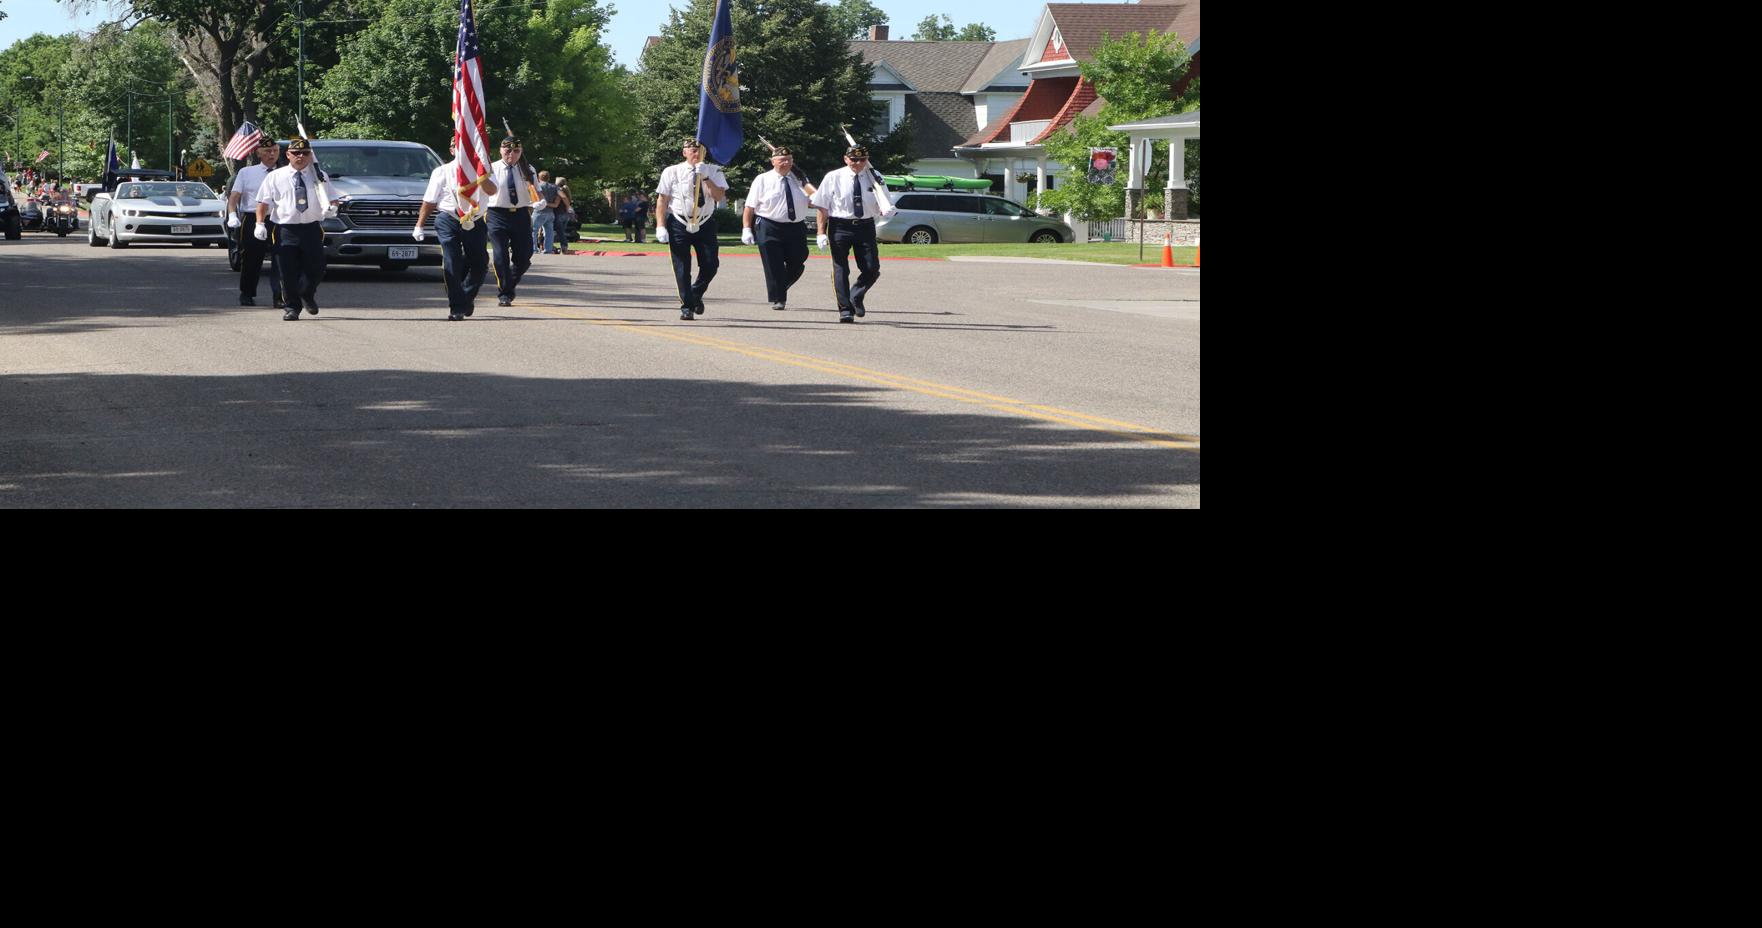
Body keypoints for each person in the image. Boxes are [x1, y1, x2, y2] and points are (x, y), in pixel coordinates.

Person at [253, 136, 341, 321]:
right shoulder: (275, 176)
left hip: (311, 228)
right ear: (288, 155)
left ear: (310, 155)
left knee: (316, 268)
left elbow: (332, 198)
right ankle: (292, 307)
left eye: (305, 153)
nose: (300, 156)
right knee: (287, 270)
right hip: (286, 229)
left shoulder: (319, 175)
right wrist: (259, 223)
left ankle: (307, 293)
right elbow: (263, 202)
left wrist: (333, 207)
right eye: (296, 153)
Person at [413, 138, 498, 322]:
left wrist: (481, 176)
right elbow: (429, 201)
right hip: (448, 219)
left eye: (467, 147)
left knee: (480, 262)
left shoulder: (485, 169)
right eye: (458, 147)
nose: (462, 150)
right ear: (452, 151)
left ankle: (465, 296)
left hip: (474, 220)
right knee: (452, 261)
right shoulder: (441, 171)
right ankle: (457, 307)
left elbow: (492, 191)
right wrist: (419, 225)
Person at [812, 145, 889, 323]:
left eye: (862, 159)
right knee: (840, 268)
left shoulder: (874, 176)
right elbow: (822, 205)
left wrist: (886, 209)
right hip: (840, 226)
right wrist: (820, 232)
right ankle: (845, 309)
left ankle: (856, 295)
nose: (857, 163)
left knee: (871, 268)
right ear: (846, 159)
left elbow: (883, 200)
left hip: (865, 225)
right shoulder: (833, 177)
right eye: (853, 159)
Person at [654, 138, 728, 320]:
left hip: (705, 222)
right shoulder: (672, 171)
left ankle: (695, 294)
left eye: (700, 150)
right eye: (692, 149)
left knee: (711, 265)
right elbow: (662, 200)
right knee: (681, 266)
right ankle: (687, 306)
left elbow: (719, 196)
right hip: (679, 222)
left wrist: (706, 177)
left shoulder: (714, 171)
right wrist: (660, 226)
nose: (697, 153)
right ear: (684, 152)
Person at [742, 145, 816, 312]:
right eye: (782, 160)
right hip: (769, 225)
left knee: (799, 261)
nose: (785, 163)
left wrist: (809, 187)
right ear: (773, 161)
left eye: (789, 159)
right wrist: (746, 228)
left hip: (796, 227)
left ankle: (779, 287)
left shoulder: (799, 180)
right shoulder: (762, 180)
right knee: (773, 264)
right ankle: (779, 298)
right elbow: (749, 206)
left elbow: (813, 200)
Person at [226, 137, 284, 308]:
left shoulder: (285, 172)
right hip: (252, 219)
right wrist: (232, 215)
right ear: (259, 153)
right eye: (267, 151)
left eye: (275, 150)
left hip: (279, 218)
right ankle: (247, 293)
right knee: (251, 258)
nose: (271, 154)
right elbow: (234, 196)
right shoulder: (246, 172)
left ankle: (280, 296)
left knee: (281, 259)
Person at [485, 135, 538, 306]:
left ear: (521, 152)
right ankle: (505, 294)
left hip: (520, 213)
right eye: (508, 150)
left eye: (516, 151)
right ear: (500, 150)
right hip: (496, 214)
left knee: (524, 256)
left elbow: (536, 191)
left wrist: (539, 201)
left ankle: (509, 284)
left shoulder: (527, 169)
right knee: (500, 256)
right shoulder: (491, 169)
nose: (511, 154)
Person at [532, 169, 562, 257]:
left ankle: (534, 249)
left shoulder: (537, 186)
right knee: (549, 232)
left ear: (538, 177)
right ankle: (548, 249)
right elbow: (561, 196)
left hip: (539, 211)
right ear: (548, 178)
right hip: (550, 211)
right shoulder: (554, 187)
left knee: (533, 230)